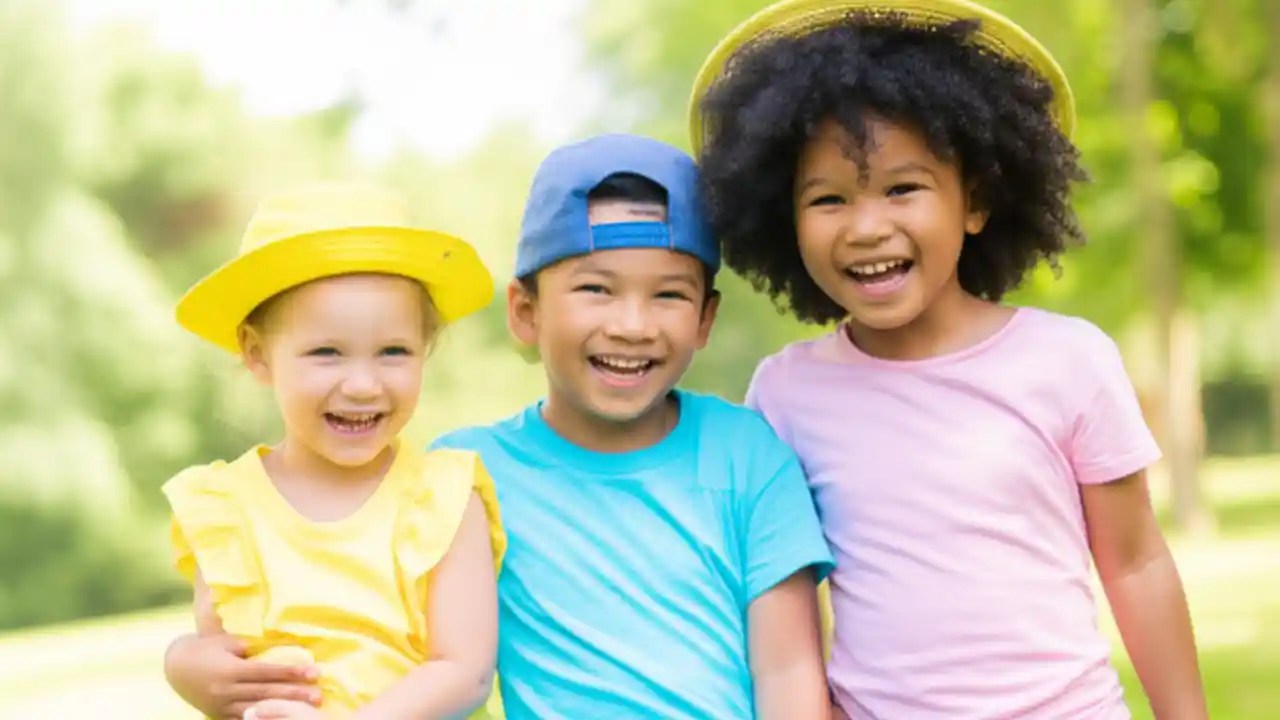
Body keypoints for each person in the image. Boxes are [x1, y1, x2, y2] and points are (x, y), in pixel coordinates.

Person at [163, 134, 836, 719]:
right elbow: (335, 598)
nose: (632, 324)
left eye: (668, 293)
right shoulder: (466, 473)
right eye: (596, 289)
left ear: (706, 318)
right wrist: (184, 661)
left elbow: (787, 671)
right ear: (524, 312)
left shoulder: (745, 454)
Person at [688, 1, 1209, 717]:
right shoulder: (785, 392)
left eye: (904, 187)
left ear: (976, 199)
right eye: (828, 198)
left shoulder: (1068, 360)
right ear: (787, 222)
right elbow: (781, 598)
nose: (868, 227)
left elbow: (1136, 560)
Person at [161, 183, 505, 720]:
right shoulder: (225, 509)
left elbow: (465, 671)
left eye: (394, 351)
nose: (364, 384)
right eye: (327, 353)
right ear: (258, 355)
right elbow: (229, 671)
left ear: (426, 348)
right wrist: (186, 664)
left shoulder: (445, 498)